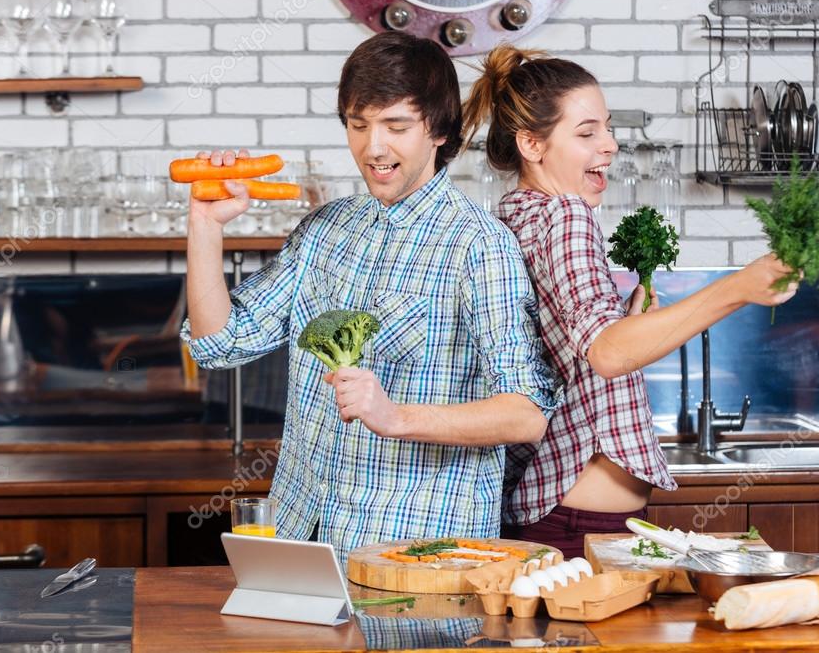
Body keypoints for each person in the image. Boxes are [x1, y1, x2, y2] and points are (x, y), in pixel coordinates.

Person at [180, 32, 559, 564]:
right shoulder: (325, 231)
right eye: (359, 126)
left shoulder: (478, 246)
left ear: (440, 131)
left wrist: (396, 416)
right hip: (301, 536)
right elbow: (220, 343)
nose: (373, 147)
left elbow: (526, 413)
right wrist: (204, 225)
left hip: (413, 555)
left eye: (395, 126)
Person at [461, 45, 798, 557]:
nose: (611, 145)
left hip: (551, 515)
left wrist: (627, 322)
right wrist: (740, 287)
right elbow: (608, 353)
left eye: (609, 128)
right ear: (531, 143)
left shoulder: (514, 217)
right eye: (587, 132)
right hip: (581, 525)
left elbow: (573, 350)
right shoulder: (566, 215)